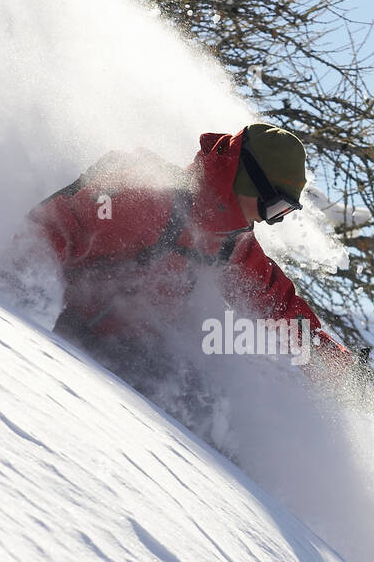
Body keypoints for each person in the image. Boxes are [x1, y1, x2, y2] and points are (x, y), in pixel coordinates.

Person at [21, 123, 353, 384]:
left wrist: (332, 363)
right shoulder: (152, 200)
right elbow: (58, 226)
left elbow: (277, 306)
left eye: (283, 213)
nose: (271, 221)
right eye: (276, 207)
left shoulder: (230, 244)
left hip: (131, 353)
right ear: (251, 183)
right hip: (64, 333)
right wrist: (26, 295)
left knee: (204, 397)